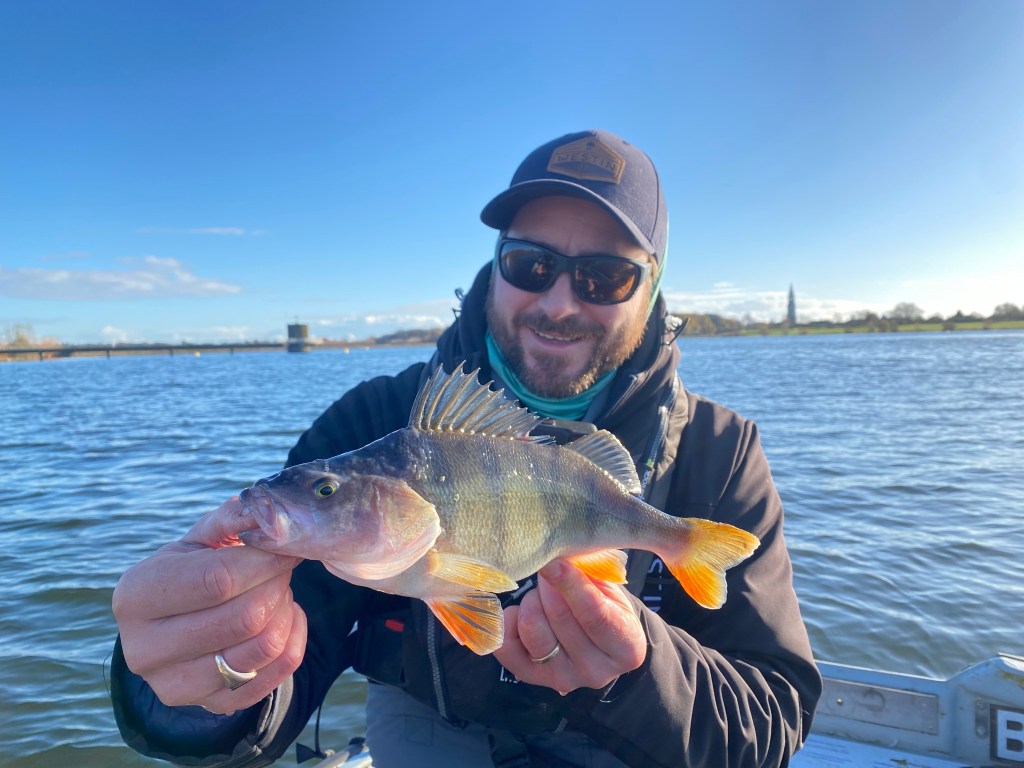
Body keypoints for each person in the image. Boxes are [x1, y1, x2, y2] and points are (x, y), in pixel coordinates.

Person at [110, 129, 821, 767]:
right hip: (429, 738)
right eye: (531, 264)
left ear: (653, 287)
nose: (561, 303)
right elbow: (291, 655)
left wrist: (633, 673)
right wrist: (202, 680)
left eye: (605, 276)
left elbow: (771, 717)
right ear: (495, 267)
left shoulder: (722, 452)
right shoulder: (372, 422)